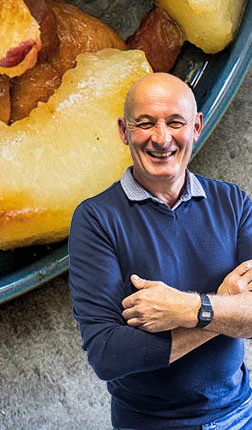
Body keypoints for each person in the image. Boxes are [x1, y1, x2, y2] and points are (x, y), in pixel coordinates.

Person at [69, 72, 252, 429]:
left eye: (175, 122)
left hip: (240, 415)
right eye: (145, 123)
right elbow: (107, 354)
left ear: (196, 127)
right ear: (124, 131)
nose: (162, 138)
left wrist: (185, 308)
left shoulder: (233, 202)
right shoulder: (95, 219)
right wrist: (225, 308)